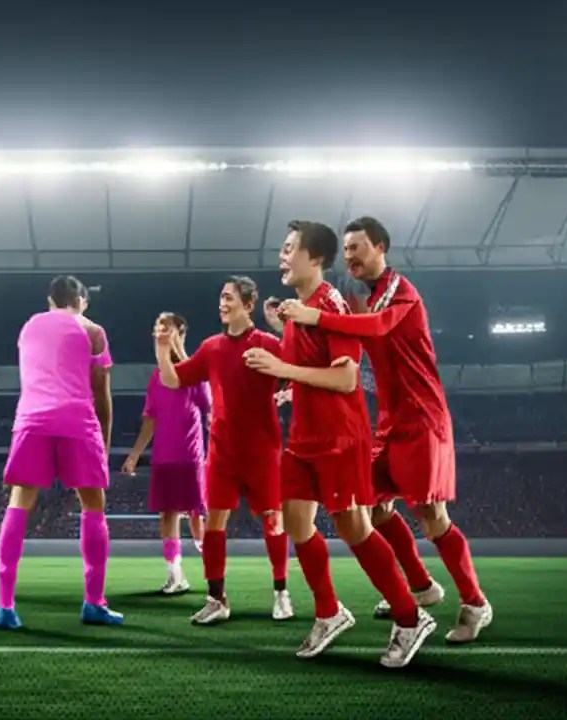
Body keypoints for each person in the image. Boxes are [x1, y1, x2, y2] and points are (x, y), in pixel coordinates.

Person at [277, 216, 493, 645]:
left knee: (431, 517)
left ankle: (475, 602)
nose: (350, 256)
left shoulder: (402, 292)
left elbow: (373, 329)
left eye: (358, 247)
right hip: (390, 423)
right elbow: (346, 343)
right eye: (347, 249)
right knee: (372, 508)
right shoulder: (368, 299)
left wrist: (315, 316)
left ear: (381, 248)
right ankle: (421, 586)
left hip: (423, 420)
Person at [247, 221, 433, 667]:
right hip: (304, 438)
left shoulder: (331, 304)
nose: (281, 256)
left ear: (315, 258)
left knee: (354, 530)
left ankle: (410, 617)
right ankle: (329, 612)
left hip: (339, 438)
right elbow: (310, 367)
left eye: (289, 248)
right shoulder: (298, 310)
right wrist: (292, 383)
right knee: (296, 523)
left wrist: (283, 371)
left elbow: (347, 378)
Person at [154, 276, 293, 625]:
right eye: (221, 297)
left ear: (248, 305)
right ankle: (217, 599)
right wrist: (162, 349)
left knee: (273, 520)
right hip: (222, 451)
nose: (222, 303)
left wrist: (288, 390)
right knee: (214, 523)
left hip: (262, 450)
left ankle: (281, 592)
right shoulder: (211, 347)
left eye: (229, 298)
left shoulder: (268, 344)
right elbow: (173, 379)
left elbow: (297, 371)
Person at [0, 275, 123, 629]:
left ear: (50, 300)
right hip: (76, 420)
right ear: (81, 300)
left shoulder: (29, 327)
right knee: (93, 505)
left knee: (19, 502)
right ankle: (93, 602)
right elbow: (101, 393)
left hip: (31, 418)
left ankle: (5, 606)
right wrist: (104, 444)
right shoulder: (92, 330)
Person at [122, 312, 210, 595]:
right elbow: (150, 419)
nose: (159, 331)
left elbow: (207, 405)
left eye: (166, 327)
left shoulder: (194, 371)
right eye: (157, 327)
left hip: (191, 457)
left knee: (197, 518)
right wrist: (135, 454)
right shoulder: (155, 377)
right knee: (167, 516)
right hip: (164, 457)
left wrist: (181, 354)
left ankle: (213, 570)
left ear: (180, 332)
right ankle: (175, 576)